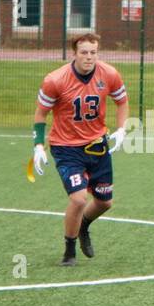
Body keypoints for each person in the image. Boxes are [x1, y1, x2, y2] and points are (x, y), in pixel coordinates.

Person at [32, 33, 129, 266]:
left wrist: (123, 128)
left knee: (105, 202)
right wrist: (37, 146)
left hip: (97, 145)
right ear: (74, 53)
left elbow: (122, 101)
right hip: (66, 148)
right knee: (78, 199)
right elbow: (41, 114)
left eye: (93, 52)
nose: (89, 57)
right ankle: (69, 251)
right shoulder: (55, 80)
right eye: (84, 52)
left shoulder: (109, 74)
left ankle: (84, 225)